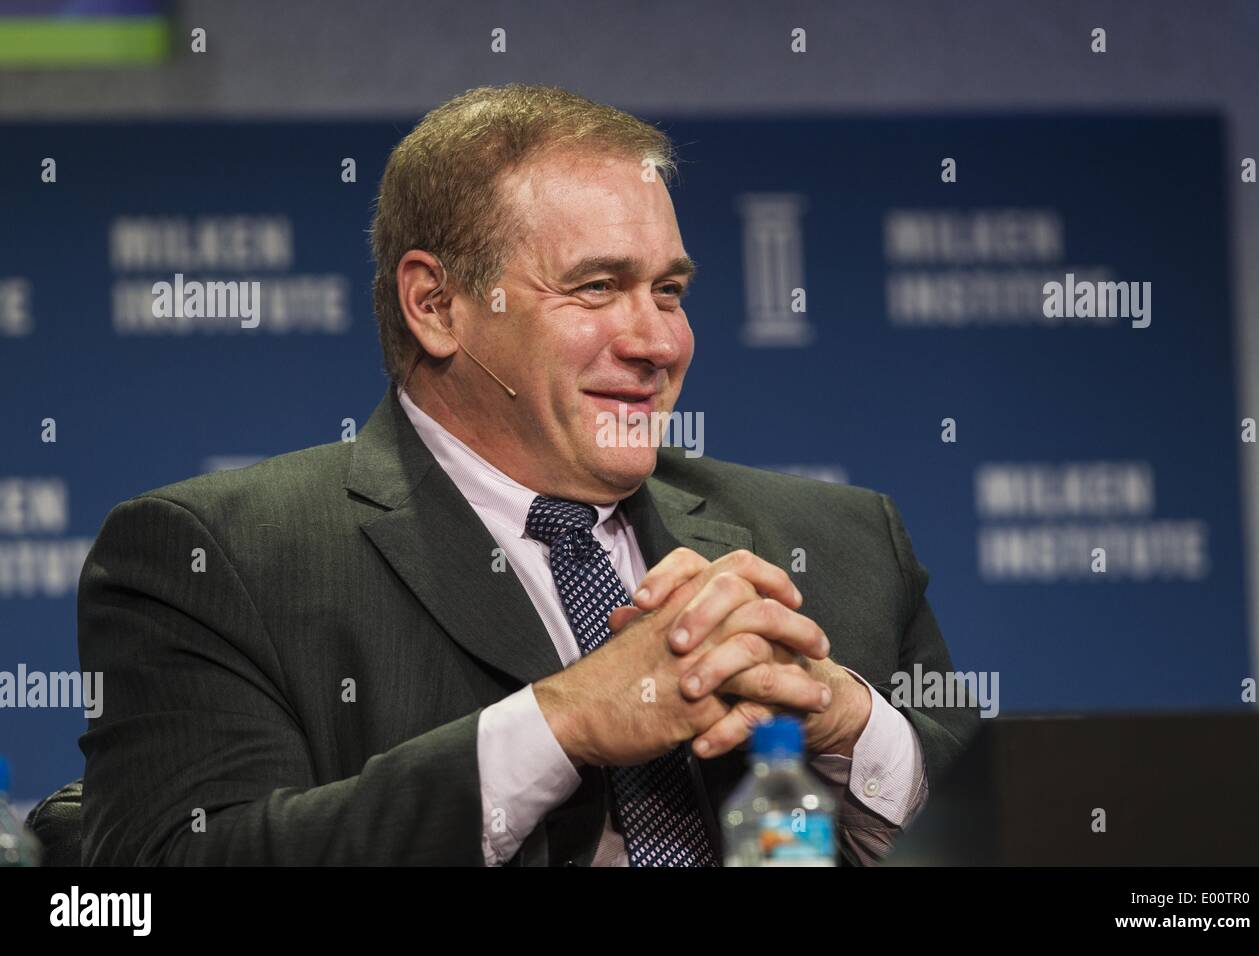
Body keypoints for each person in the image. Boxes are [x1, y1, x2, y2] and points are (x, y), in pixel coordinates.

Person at [78, 83, 979, 866]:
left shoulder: (841, 544)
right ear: (436, 306)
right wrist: (560, 723)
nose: (657, 342)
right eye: (595, 288)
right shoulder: (219, 560)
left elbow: (1033, 838)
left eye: (669, 291)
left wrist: (848, 728)